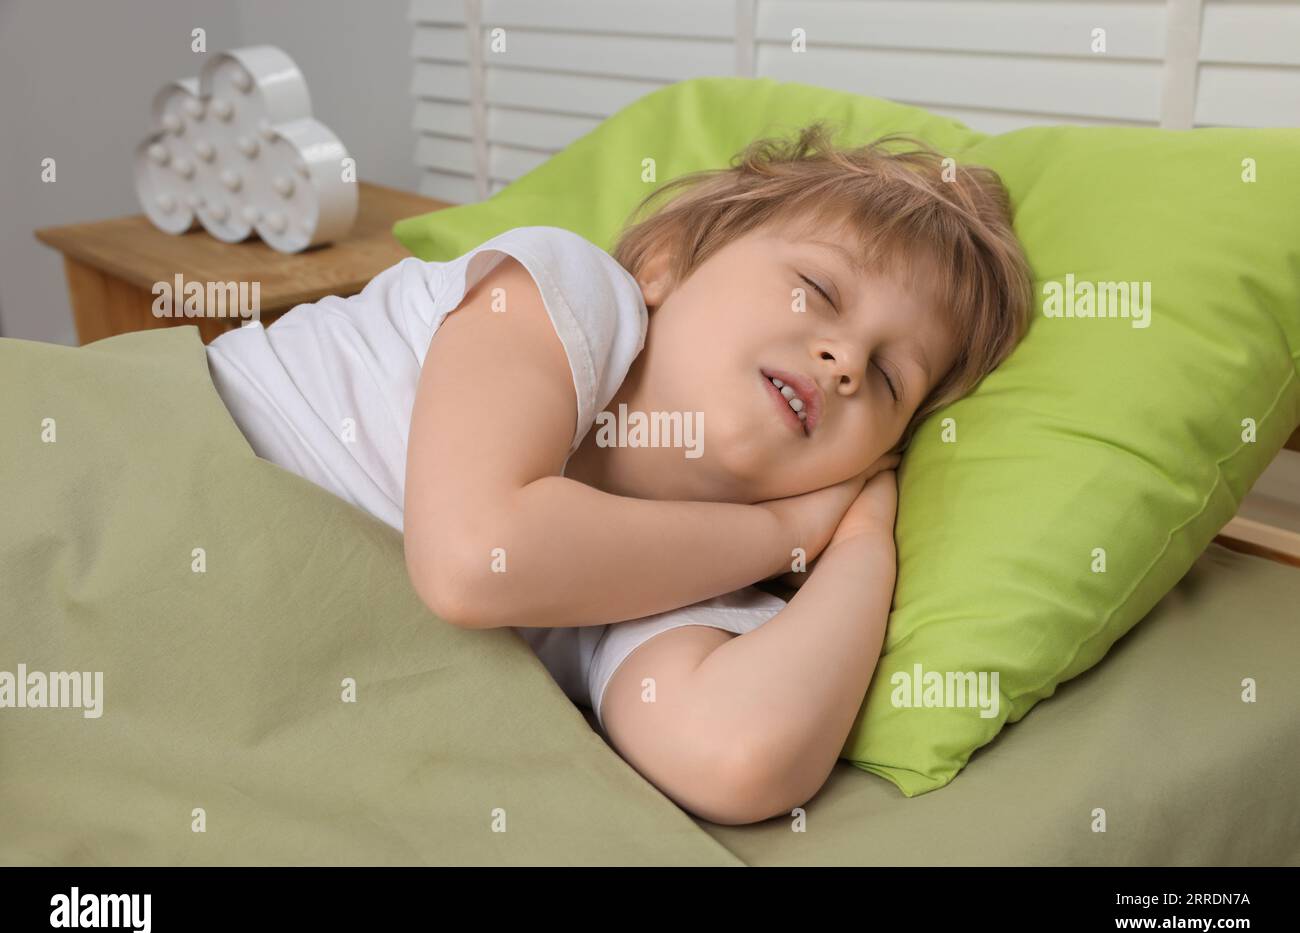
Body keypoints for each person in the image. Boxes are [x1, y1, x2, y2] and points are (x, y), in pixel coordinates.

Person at [205, 121, 1033, 826]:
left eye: (891, 379)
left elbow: (739, 755)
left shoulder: (693, 589)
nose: (845, 358)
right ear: (670, 262)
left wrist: (860, 544)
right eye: (816, 289)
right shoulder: (567, 298)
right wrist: (782, 533)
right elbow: (475, 557)